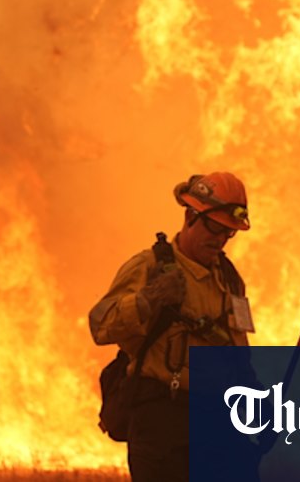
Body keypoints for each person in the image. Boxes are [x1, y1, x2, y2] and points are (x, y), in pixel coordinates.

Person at [89, 172, 258, 482]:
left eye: (229, 233)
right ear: (191, 215)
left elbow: (238, 352)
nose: (220, 239)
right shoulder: (148, 267)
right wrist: (148, 299)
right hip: (162, 423)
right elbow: (100, 325)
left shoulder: (230, 280)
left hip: (217, 419)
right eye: (215, 227)